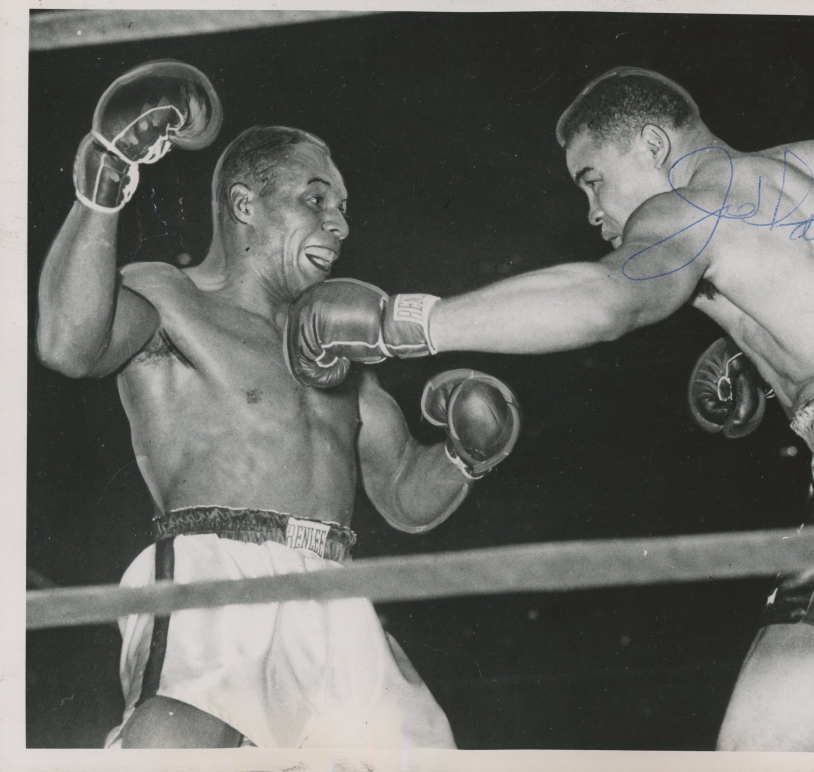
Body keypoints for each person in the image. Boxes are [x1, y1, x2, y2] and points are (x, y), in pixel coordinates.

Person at [284, 66, 814, 752]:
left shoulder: (688, 207)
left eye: (592, 180)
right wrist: (758, 357)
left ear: (651, 144)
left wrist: (402, 323)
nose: (593, 214)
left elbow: (605, 301)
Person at [35, 60, 521, 750]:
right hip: (216, 568)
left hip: (334, 587)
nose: (341, 224)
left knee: (416, 754)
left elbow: (405, 494)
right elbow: (66, 344)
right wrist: (106, 179)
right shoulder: (170, 297)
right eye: (317, 200)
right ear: (243, 206)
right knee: (173, 743)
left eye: (344, 207)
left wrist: (466, 453)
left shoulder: (335, 347)